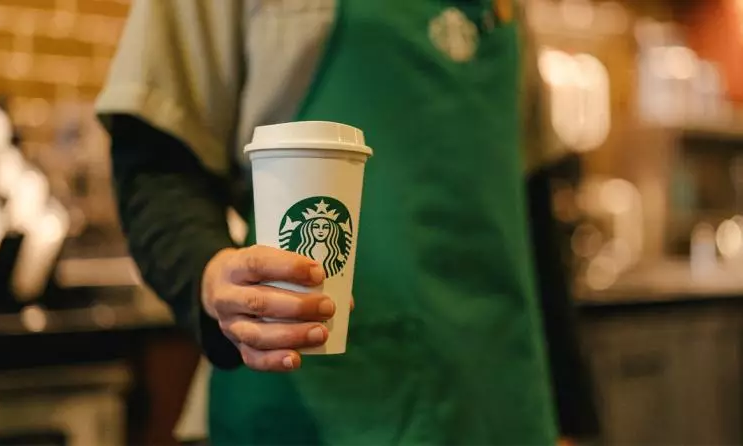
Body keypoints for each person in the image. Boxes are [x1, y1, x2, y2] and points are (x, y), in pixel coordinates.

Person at [96, 0, 589, 444]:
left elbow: (530, 206)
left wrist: (572, 415)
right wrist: (208, 275)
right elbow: (156, 160)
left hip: (500, 407)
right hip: (313, 411)